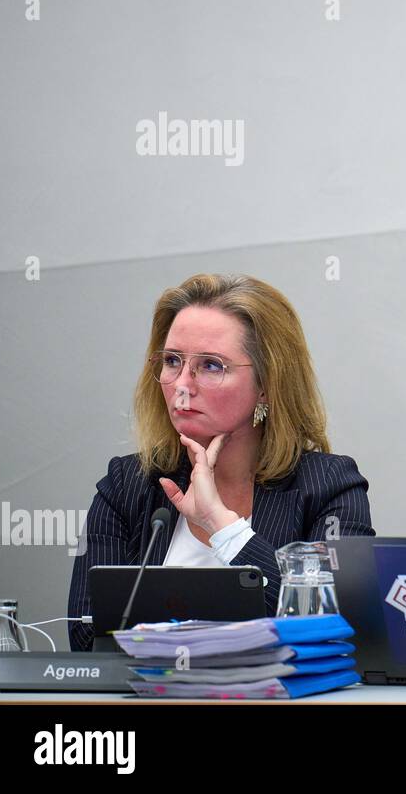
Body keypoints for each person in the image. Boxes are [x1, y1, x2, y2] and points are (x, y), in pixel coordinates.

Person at [67, 274, 374, 650]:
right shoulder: (128, 484)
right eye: (172, 361)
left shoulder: (330, 486)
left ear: (266, 384)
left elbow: (340, 633)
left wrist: (222, 528)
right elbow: (87, 638)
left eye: (211, 365)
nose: (182, 384)